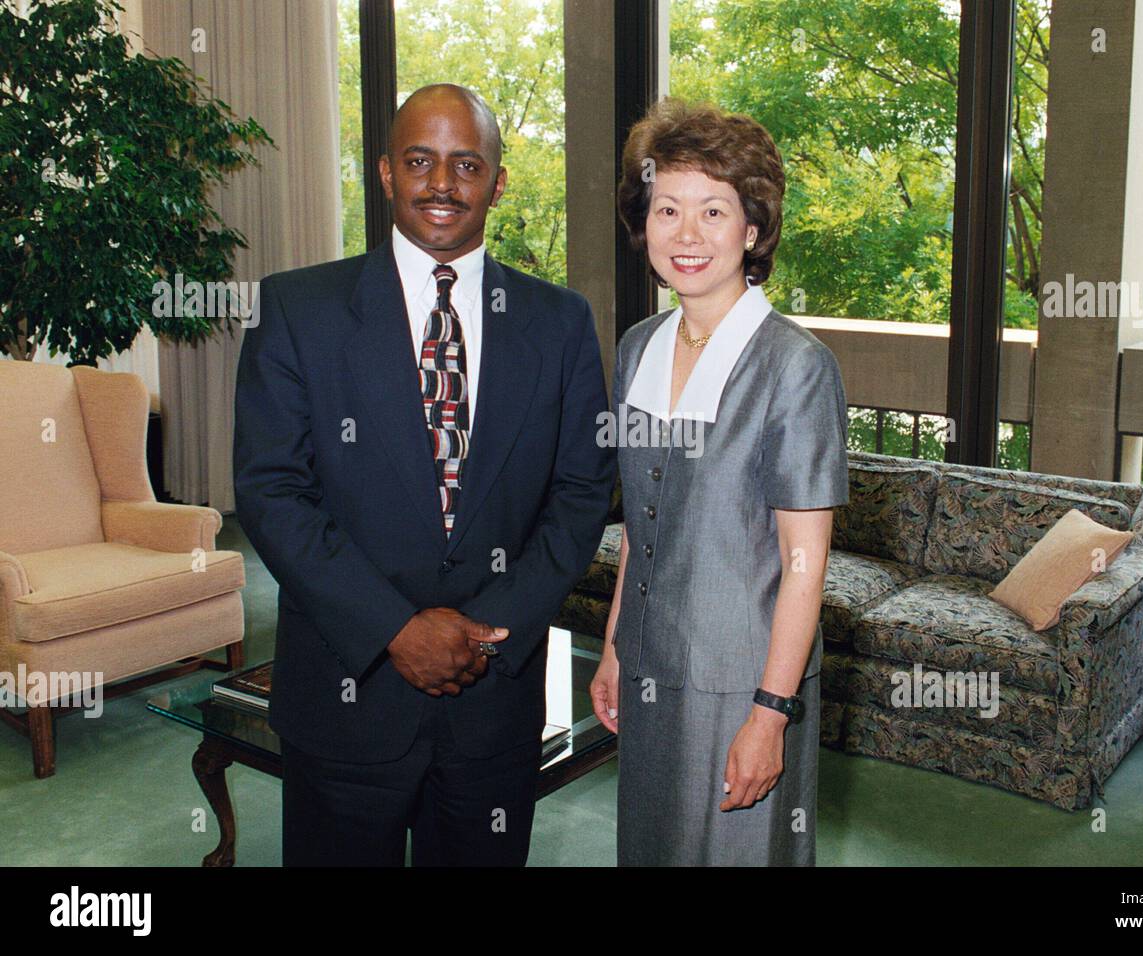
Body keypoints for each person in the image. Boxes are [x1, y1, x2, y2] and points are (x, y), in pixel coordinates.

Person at [233, 83, 615, 866]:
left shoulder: (560, 322)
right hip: (347, 698)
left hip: (495, 703)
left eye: (466, 164)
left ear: (498, 182)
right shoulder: (297, 309)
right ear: (384, 172)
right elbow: (272, 490)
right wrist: (393, 630)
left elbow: (581, 493)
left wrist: (489, 630)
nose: (442, 184)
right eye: (419, 161)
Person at [589, 98, 848, 866]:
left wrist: (771, 713)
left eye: (713, 210)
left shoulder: (795, 366)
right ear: (644, 225)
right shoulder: (637, 350)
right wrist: (613, 650)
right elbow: (641, 526)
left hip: (743, 681)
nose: (688, 234)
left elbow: (807, 564)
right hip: (648, 667)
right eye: (666, 209)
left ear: (753, 229)